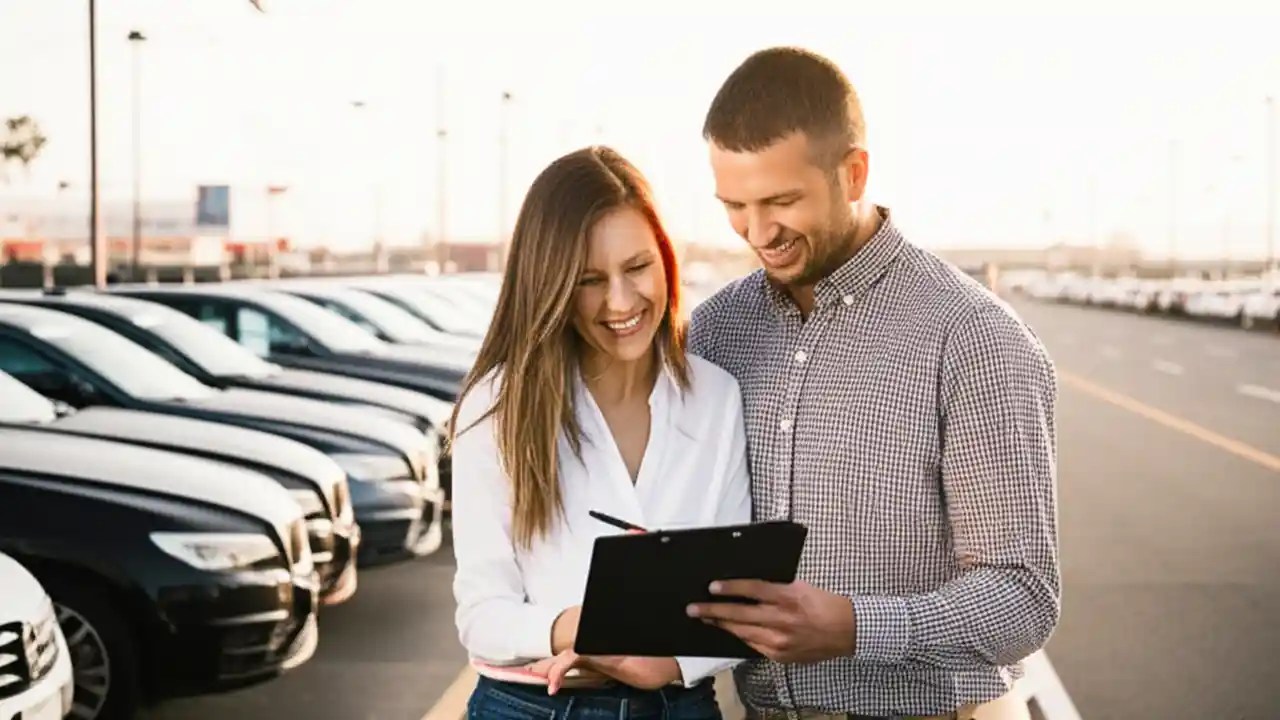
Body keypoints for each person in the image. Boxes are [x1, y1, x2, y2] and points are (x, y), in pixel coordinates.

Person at [684, 47, 1060, 720]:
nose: (757, 231)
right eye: (734, 204)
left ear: (853, 173)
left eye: (781, 200)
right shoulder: (715, 332)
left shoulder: (973, 338)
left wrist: (856, 625)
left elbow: (1023, 595)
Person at [449, 145, 752, 720]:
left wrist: (664, 664)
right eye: (590, 279)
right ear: (552, 286)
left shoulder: (716, 397)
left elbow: (733, 593)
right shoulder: (498, 407)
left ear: (666, 256)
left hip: (680, 706)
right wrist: (579, 630)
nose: (621, 301)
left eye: (638, 267)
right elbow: (481, 613)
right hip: (533, 706)